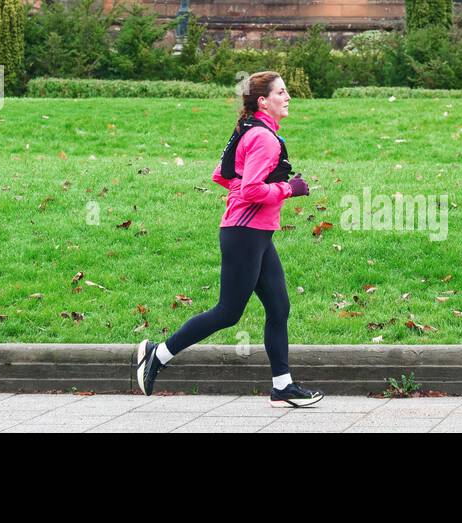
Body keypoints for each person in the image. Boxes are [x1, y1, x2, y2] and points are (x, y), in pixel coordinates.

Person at [134, 71, 323, 408]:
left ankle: (283, 386)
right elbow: (250, 188)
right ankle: (157, 354)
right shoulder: (263, 137)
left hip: (255, 232)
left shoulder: (250, 129)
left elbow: (222, 175)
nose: (288, 97)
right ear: (263, 101)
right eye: (281, 92)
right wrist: (288, 189)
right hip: (245, 233)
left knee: (279, 307)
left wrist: (254, 192)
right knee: (228, 312)